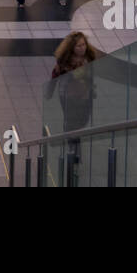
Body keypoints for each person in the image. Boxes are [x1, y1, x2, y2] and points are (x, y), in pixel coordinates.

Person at [44, 31, 100, 182]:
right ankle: (74, 152)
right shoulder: (65, 62)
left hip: (85, 97)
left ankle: (73, 140)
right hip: (68, 97)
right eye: (78, 46)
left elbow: (92, 76)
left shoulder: (90, 59)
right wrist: (49, 92)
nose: (82, 48)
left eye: (83, 44)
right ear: (72, 48)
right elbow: (55, 76)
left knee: (81, 122)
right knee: (71, 122)